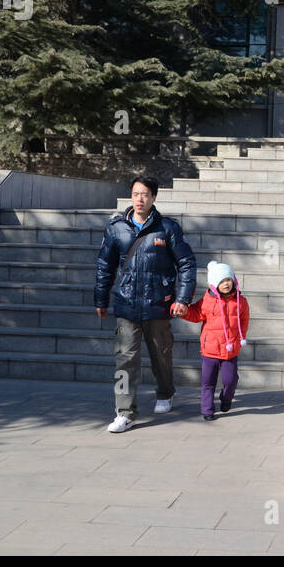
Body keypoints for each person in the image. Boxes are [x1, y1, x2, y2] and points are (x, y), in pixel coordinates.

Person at [94, 175, 197, 433]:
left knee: (161, 354)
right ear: (131, 196)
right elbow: (104, 265)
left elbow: (186, 263)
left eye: (145, 194)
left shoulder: (167, 228)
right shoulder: (116, 228)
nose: (140, 198)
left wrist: (182, 299)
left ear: (154, 198)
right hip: (127, 304)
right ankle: (125, 412)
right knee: (125, 359)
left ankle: (165, 392)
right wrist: (101, 297)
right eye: (136, 193)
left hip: (158, 303)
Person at [182, 261, 250, 420]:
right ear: (214, 284)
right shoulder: (207, 301)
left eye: (228, 279)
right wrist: (182, 311)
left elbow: (244, 321)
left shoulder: (241, 302)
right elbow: (195, 315)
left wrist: (241, 337)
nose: (225, 284)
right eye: (221, 281)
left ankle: (226, 399)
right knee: (208, 382)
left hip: (230, 349)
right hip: (210, 350)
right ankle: (207, 410)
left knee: (230, 380)